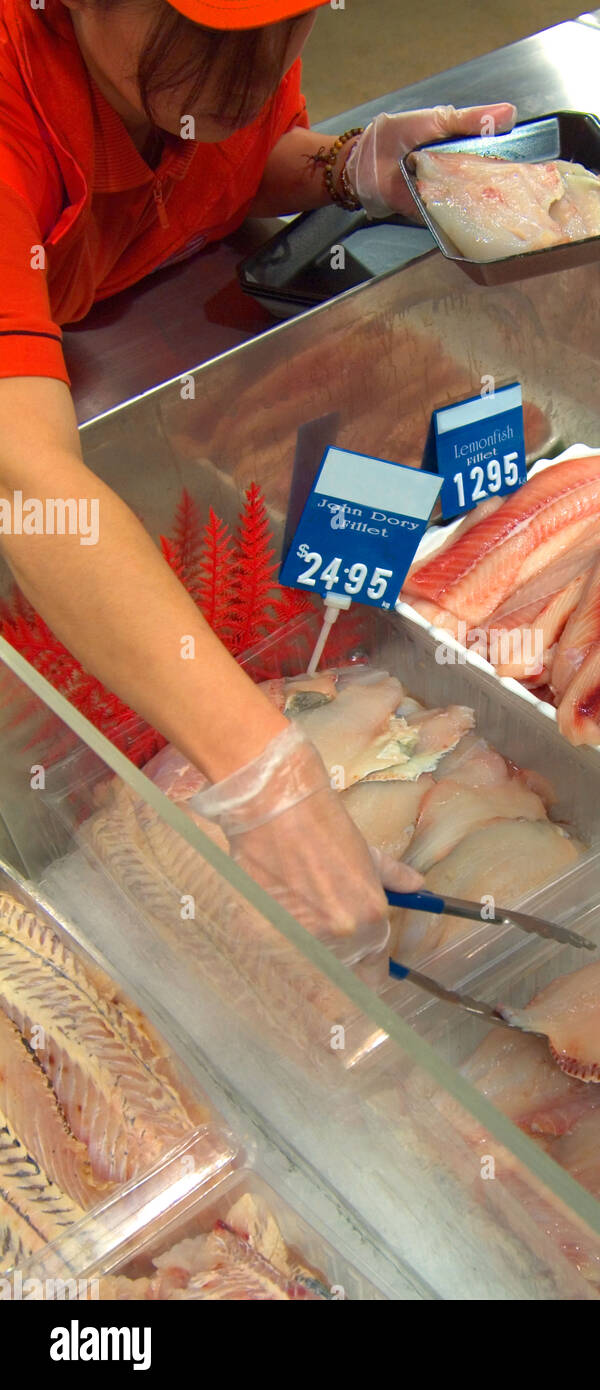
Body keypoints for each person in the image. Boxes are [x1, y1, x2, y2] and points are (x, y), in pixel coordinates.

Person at [0, 0, 515, 962]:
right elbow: (27, 480)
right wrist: (256, 773)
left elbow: (226, 162)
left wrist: (348, 166)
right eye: (206, 27)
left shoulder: (218, 61)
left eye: (285, 20)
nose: (253, 62)